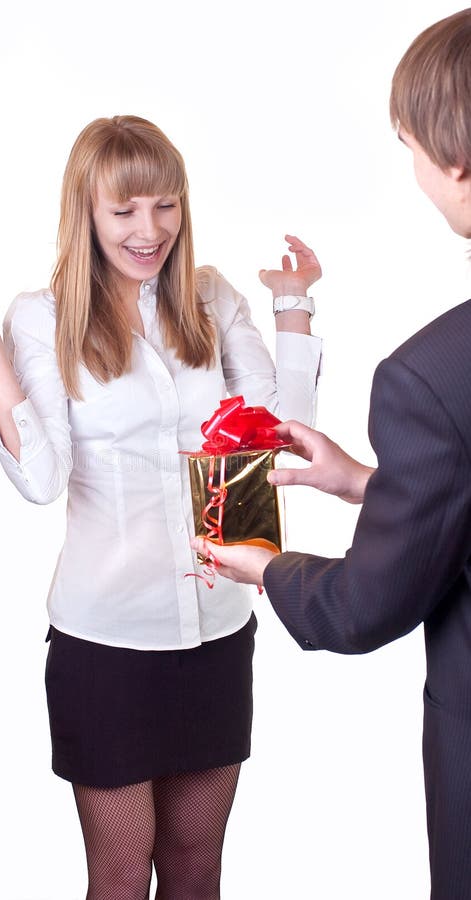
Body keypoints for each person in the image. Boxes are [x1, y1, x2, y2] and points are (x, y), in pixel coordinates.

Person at [0, 115, 323, 899]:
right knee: (122, 875)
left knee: (198, 872)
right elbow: (40, 478)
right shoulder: (43, 316)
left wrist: (293, 304)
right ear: (87, 212)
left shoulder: (210, 297)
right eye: (125, 210)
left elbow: (276, 436)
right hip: (106, 645)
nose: (149, 229)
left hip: (215, 631)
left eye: (165, 206)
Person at [191, 9, 471, 899]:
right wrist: (367, 482)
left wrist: (265, 568)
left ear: (454, 158)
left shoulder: (429, 376)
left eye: (409, 148)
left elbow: (360, 608)